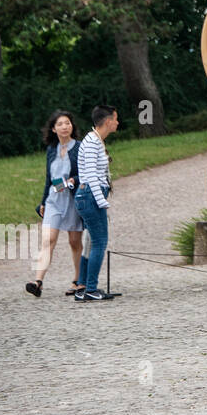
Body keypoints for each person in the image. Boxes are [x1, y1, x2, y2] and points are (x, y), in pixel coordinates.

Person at [26, 110, 84, 297]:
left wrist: (73, 180)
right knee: (48, 240)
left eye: (67, 123)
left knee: (74, 242)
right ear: (53, 128)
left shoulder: (79, 147)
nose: (64, 127)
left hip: (73, 199)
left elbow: (84, 173)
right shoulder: (51, 150)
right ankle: (38, 281)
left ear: (72, 126)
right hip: (54, 200)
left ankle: (77, 281)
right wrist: (43, 201)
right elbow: (48, 179)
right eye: (60, 124)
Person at [73, 105, 119, 301]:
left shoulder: (95, 140)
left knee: (91, 242)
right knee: (100, 242)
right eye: (116, 119)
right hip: (91, 196)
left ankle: (83, 288)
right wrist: (102, 201)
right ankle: (91, 289)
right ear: (108, 121)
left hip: (90, 196)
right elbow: (91, 174)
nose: (118, 123)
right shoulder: (92, 142)